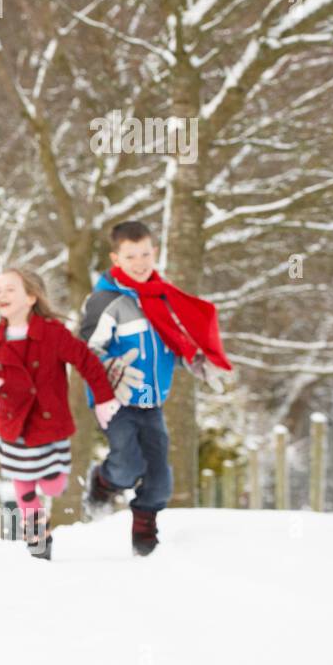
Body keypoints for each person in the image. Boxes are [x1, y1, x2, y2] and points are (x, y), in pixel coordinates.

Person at [76, 220, 231, 555]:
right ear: (116, 258)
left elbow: (171, 346)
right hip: (116, 401)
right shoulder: (105, 300)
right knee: (129, 465)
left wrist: (195, 362)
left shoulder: (162, 296)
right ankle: (103, 483)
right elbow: (85, 351)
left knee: (160, 481)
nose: (141, 262)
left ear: (155, 251)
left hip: (153, 402)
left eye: (145, 253)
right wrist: (108, 367)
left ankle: (145, 541)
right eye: (131, 256)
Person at [0, 268, 119, 559]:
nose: (2, 295)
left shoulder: (52, 333)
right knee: (23, 488)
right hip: (15, 427)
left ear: (30, 296)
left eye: (10, 289)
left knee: (52, 486)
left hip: (49, 427)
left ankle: (61, 483)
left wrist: (103, 399)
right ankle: (38, 543)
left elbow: (86, 362)